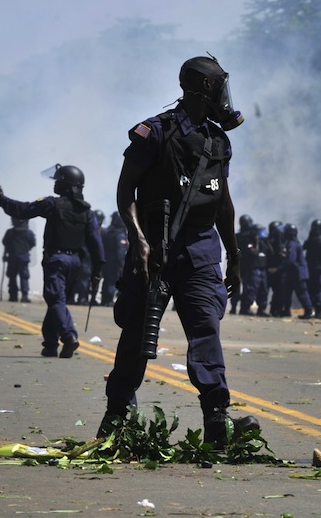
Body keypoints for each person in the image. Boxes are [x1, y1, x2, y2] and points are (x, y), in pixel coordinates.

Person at [98, 55, 259, 448]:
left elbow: (223, 202)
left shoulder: (218, 141)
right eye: (219, 84)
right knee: (137, 332)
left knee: (206, 330)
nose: (224, 92)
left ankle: (217, 421)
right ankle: (117, 419)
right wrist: (138, 239)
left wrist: (235, 257)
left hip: (202, 248)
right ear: (205, 87)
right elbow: (125, 192)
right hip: (154, 245)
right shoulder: (153, 133)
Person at [0, 164, 105, 358]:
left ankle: (68, 337)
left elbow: (23, 210)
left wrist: (2, 199)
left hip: (56, 260)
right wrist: (97, 271)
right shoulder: (87, 212)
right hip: (75, 263)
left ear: (67, 186)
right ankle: (50, 345)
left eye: (59, 180)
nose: (56, 184)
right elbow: (96, 244)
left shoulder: (52, 204)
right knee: (56, 302)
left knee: (55, 300)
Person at [281, 222, 314, 319]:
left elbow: (290, 260)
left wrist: (279, 267)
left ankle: (309, 311)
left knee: (302, 293)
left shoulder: (292, 244)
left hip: (297, 273)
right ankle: (286, 310)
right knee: (287, 292)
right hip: (293, 273)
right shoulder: (293, 243)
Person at [303, 219, 321, 320]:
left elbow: (304, 247)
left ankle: (309, 310)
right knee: (320, 290)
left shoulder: (310, 240)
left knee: (311, 289)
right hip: (320, 269)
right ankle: (318, 312)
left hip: (310, 268)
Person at [2, 217, 36, 302]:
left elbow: (6, 245)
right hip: (23, 258)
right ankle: (24, 296)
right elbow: (32, 243)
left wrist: (4, 255)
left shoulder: (10, 233)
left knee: (12, 277)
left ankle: (13, 296)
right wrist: (26, 250)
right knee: (24, 276)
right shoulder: (28, 233)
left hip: (12, 258)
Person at [100, 211, 128, 306]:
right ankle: (108, 300)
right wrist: (121, 265)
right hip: (115, 262)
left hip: (106, 260)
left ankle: (104, 300)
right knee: (112, 281)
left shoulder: (107, 232)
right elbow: (120, 251)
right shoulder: (119, 234)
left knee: (107, 280)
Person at [229, 214, 254, 314]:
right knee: (246, 287)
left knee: (239, 286)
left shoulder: (237, 236)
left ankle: (236, 308)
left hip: (241, 265)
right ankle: (242, 308)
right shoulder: (251, 237)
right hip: (245, 266)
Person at [266, 220, 288, 317]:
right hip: (277, 270)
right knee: (279, 291)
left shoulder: (267, 241)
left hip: (270, 270)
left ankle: (273, 309)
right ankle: (276, 310)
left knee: (275, 291)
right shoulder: (277, 243)